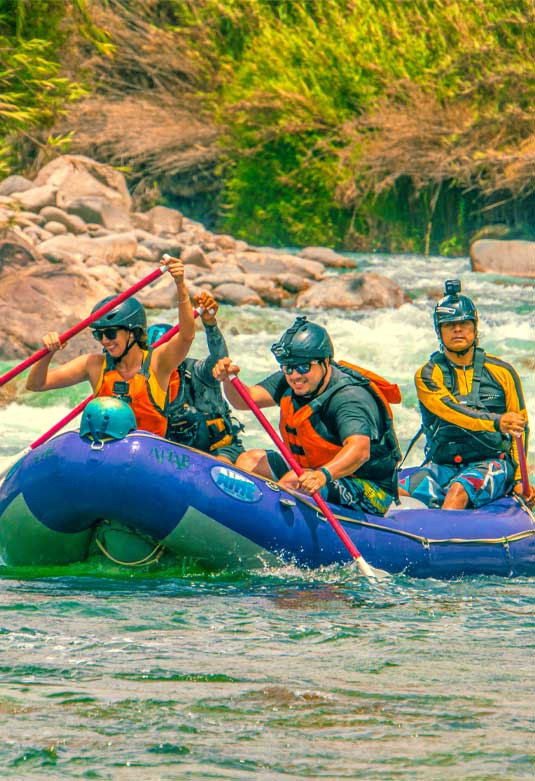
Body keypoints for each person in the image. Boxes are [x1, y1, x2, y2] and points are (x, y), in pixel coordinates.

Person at [212, 315, 401, 516]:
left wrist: (323, 475)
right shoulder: (291, 380)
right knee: (248, 461)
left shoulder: (349, 398)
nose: (295, 375)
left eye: (304, 367)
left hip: (368, 486)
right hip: (310, 469)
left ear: (326, 362)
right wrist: (228, 379)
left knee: (294, 481)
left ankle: (267, 526)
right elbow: (244, 399)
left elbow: (360, 450)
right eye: (288, 367)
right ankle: (238, 517)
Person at [399, 279, 535, 509]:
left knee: (458, 491)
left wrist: (521, 480)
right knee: (391, 490)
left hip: (491, 463)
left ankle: (444, 543)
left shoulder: (503, 372)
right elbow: (453, 412)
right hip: (443, 465)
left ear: (475, 328)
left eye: (464, 323)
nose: (458, 329)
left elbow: (521, 429)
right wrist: (496, 422)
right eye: (449, 325)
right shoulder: (428, 375)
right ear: (439, 331)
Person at [26, 256, 195, 437]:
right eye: (99, 334)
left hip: (145, 456)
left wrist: (180, 285)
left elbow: (186, 336)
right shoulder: (94, 366)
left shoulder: (158, 363)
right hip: (104, 452)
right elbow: (36, 384)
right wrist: (47, 354)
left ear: (133, 332)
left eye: (111, 333)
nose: (104, 341)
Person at [147, 291, 245, 464]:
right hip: (177, 458)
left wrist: (210, 324)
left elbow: (219, 359)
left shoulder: (197, 373)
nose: (161, 361)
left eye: (166, 353)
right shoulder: (141, 382)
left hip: (220, 452)